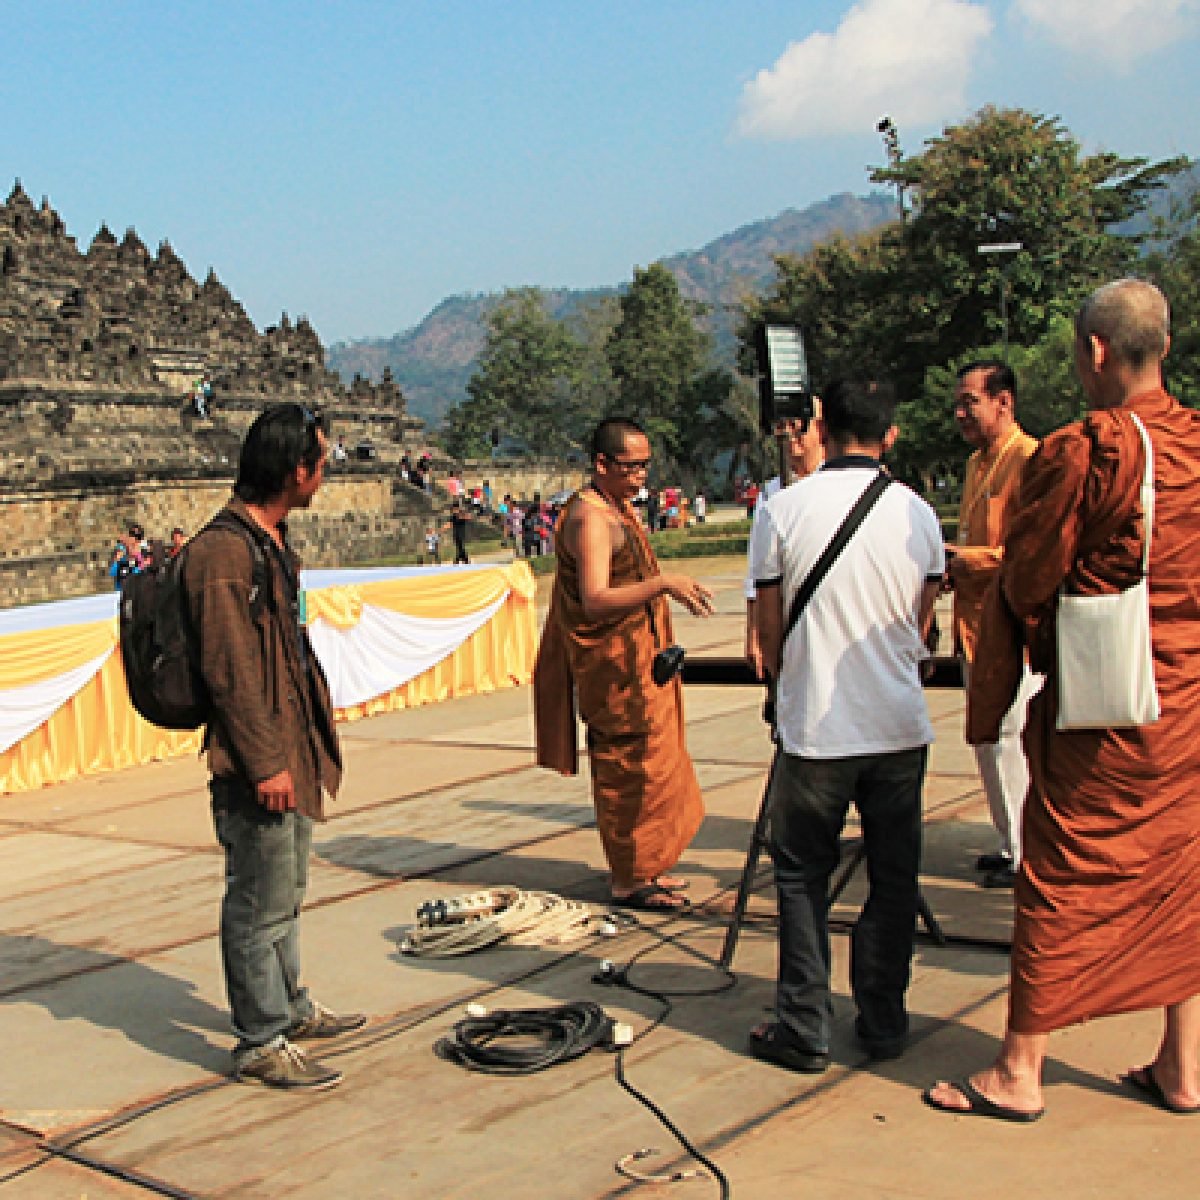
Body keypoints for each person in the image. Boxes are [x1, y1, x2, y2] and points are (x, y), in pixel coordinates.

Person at [925, 279, 1200, 1121]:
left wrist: (1017, 603)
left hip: (1108, 705)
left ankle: (1018, 1071)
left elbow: (1032, 571)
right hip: (1188, 701)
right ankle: (1183, 1067)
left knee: (1057, 872)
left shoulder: (1087, 448)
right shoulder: (1194, 440)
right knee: (1182, 876)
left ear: (1095, 352)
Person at [747, 380, 943, 1071]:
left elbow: (768, 631)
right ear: (890, 437)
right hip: (897, 726)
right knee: (893, 877)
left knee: (800, 875)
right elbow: (923, 624)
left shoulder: (783, 510)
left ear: (821, 426)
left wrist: (784, 685)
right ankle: (883, 1016)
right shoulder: (919, 516)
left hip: (818, 732)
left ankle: (804, 1025)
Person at [183, 402, 363, 1092]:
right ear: (296, 469)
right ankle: (260, 1039)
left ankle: (289, 1006)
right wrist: (267, 764)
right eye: (321, 460)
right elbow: (231, 673)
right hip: (260, 762)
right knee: (257, 903)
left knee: (285, 892)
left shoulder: (268, 541)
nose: (325, 473)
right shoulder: (223, 554)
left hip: (291, 751)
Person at [533, 417, 713, 911]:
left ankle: (647, 868)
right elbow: (594, 600)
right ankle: (630, 879)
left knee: (654, 764)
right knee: (631, 768)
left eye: (645, 467)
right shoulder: (592, 519)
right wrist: (661, 584)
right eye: (630, 468)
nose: (640, 478)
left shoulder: (615, 508)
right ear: (601, 464)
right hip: (615, 673)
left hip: (640, 665)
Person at [949, 361, 1040, 888]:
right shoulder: (977, 464)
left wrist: (970, 560)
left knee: (1010, 737)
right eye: (958, 404)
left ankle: (1027, 854)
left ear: (1003, 401)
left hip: (1012, 625)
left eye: (970, 402)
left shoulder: (1029, 459)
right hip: (974, 624)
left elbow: (1030, 553)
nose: (961, 413)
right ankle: (1009, 842)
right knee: (987, 739)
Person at [744, 405, 824, 679]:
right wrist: (754, 633)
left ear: (821, 429)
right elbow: (757, 570)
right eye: (783, 425)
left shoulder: (835, 484)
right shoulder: (770, 494)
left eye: (800, 424)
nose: (791, 434)